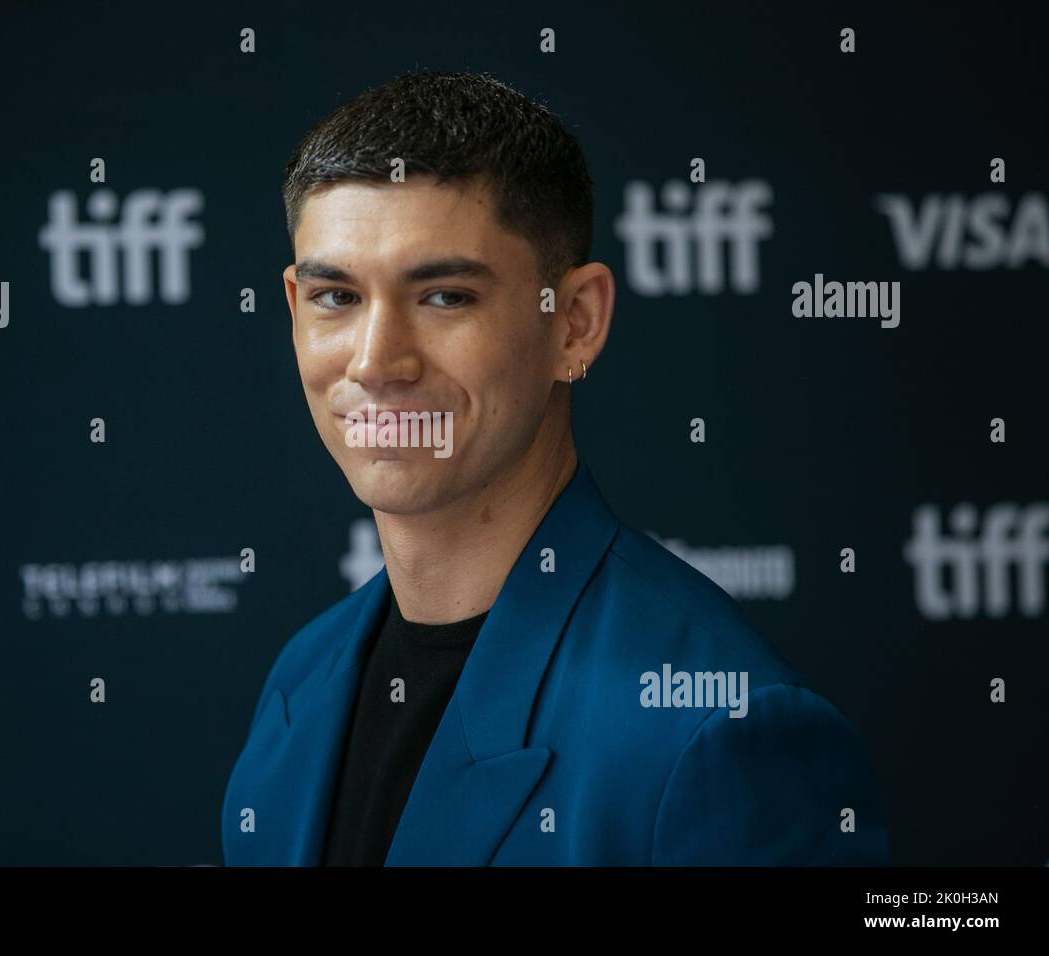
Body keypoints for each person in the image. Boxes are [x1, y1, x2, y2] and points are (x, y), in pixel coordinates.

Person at [221, 69, 889, 866]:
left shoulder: (717, 730)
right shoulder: (301, 681)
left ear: (575, 323)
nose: (376, 361)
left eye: (445, 297)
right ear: (294, 310)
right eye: (338, 297)